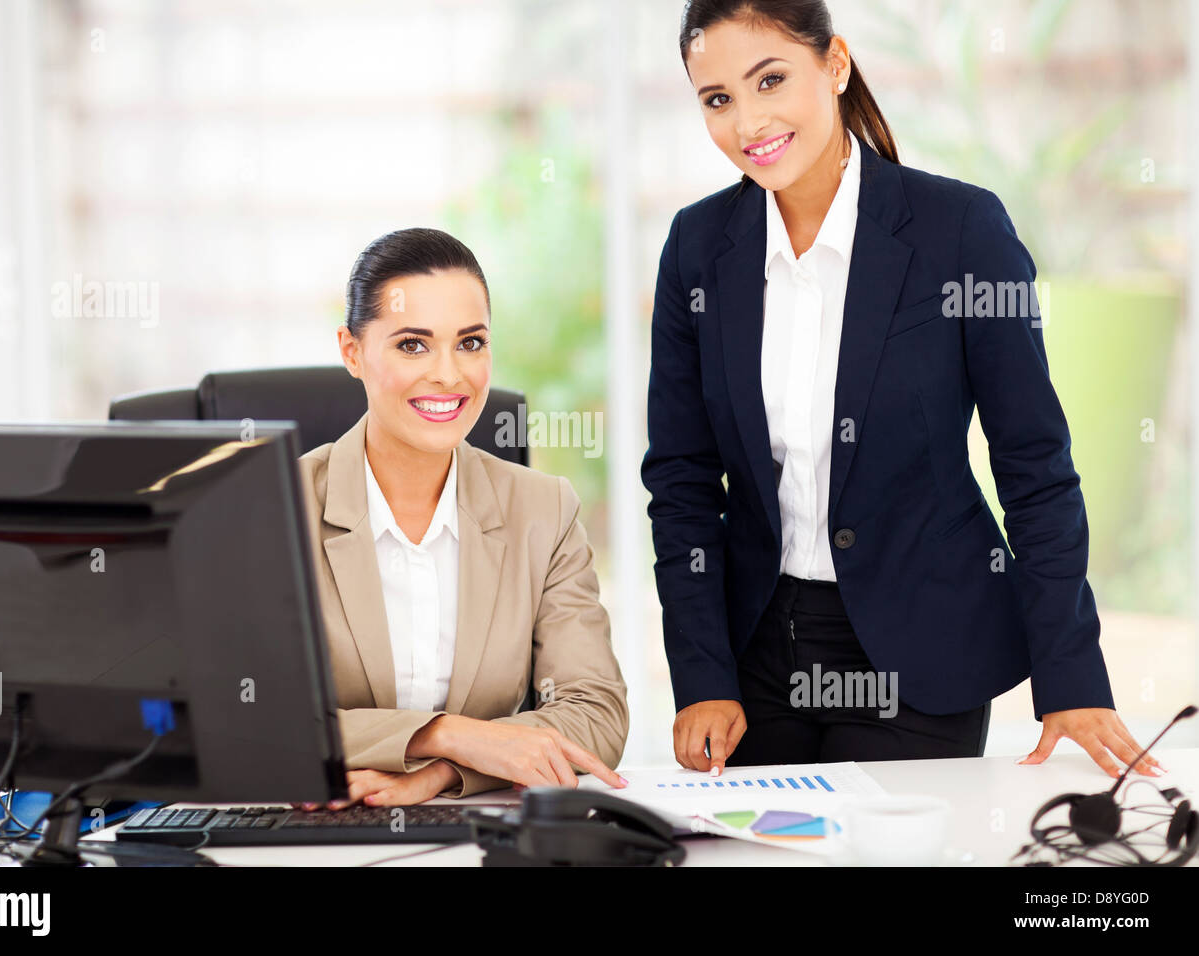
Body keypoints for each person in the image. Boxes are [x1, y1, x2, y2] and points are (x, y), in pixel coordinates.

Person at [641, 0, 1164, 780]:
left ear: (837, 64)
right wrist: (702, 675)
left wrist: (1071, 673)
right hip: (755, 660)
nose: (747, 121)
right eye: (718, 99)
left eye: (770, 80)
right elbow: (681, 478)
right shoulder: (697, 247)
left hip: (921, 651)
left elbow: (1034, 463)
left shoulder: (962, 230)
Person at [295, 227, 628, 807]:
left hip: (478, 831)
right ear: (353, 352)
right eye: (413, 345)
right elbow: (244, 711)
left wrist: (443, 772)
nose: (449, 375)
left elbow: (594, 711)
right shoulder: (281, 507)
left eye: (470, 343)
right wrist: (442, 732)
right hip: (312, 831)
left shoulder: (542, 510)